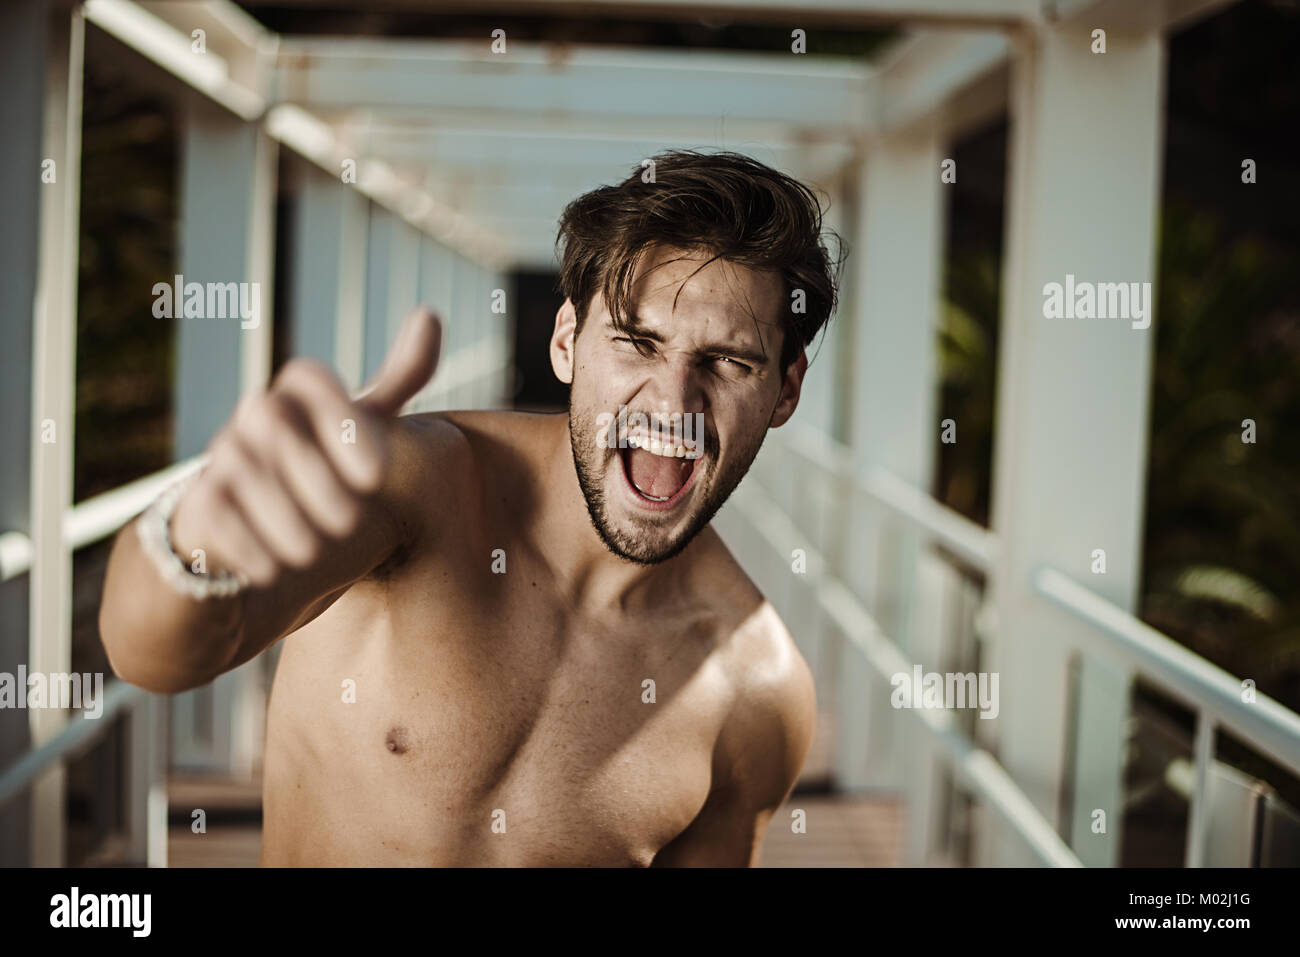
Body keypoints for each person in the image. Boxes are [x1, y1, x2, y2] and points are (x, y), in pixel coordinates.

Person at [100, 150, 843, 866]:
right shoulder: (418, 482)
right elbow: (155, 655)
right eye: (637, 341)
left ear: (785, 388)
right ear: (566, 341)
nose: (674, 401)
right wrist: (195, 540)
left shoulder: (759, 692)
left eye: (727, 361)